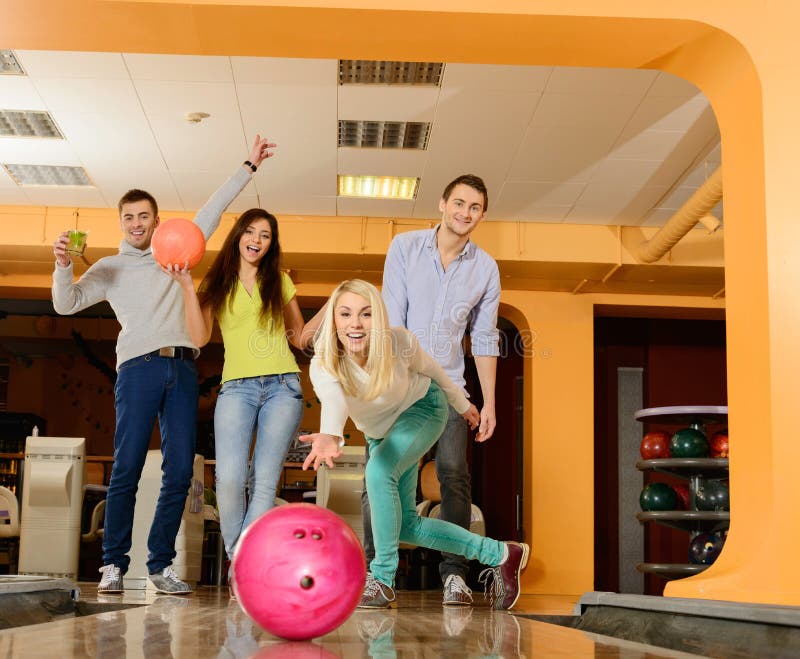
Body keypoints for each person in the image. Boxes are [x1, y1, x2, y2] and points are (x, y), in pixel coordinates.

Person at [51, 135, 275, 595]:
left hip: (183, 368)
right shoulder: (110, 268)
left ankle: (159, 565)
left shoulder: (178, 252)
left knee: (179, 470)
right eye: (128, 217)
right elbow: (65, 304)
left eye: (143, 216)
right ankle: (112, 564)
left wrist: (248, 166)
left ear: (156, 221)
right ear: (121, 222)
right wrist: (61, 266)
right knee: (127, 467)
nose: (136, 224)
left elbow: (212, 209)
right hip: (137, 368)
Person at [300, 279, 528, 610]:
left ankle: (381, 578)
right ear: (333, 319)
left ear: (377, 318)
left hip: (423, 409)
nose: (355, 324)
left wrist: (463, 406)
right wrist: (329, 434)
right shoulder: (324, 363)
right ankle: (503, 554)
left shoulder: (399, 343)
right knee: (405, 524)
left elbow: (435, 371)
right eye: (345, 314)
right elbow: (334, 403)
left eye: (365, 314)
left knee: (378, 473)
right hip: (383, 433)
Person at [362, 173, 501, 606]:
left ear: (481, 214)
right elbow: (393, 320)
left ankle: (454, 575)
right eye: (458, 203)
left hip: (449, 391)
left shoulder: (485, 268)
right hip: (400, 389)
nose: (465, 213)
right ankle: (377, 573)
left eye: (474, 207)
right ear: (442, 204)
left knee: (454, 476)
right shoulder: (405, 248)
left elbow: (484, 338)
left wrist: (489, 402)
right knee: (378, 478)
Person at [164, 207, 323, 567]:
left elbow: (299, 338)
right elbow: (199, 337)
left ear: (271, 244)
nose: (256, 240)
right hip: (236, 388)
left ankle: (243, 565)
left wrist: (333, 308)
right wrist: (188, 286)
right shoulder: (216, 284)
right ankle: (241, 556)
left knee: (264, 481)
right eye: (251, 232)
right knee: (230, 478)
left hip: (284, 386)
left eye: (265, 236)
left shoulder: (279, 281)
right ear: (238, 235)